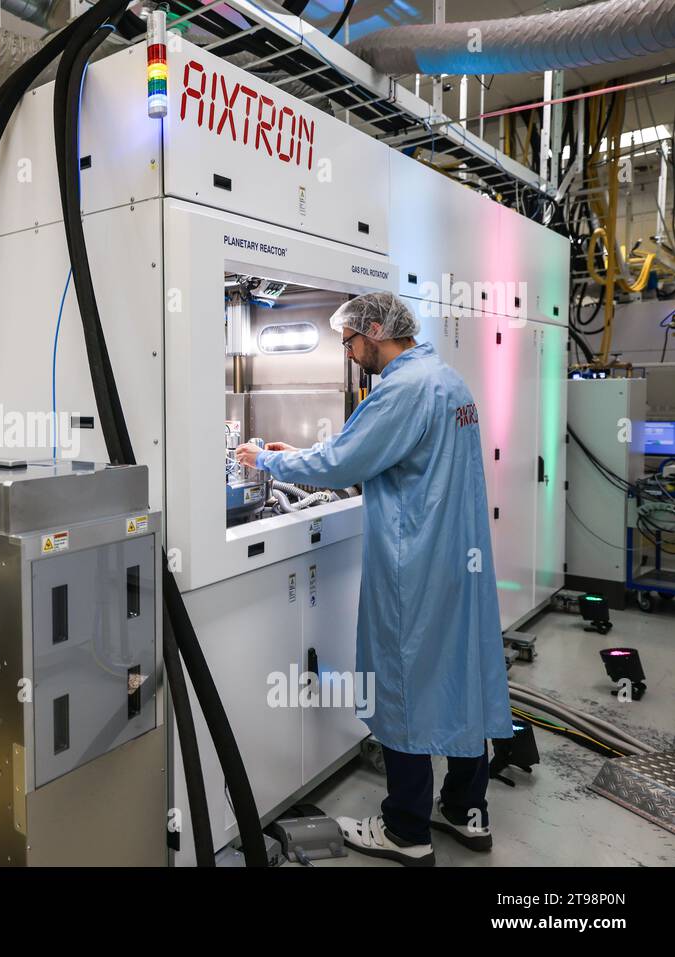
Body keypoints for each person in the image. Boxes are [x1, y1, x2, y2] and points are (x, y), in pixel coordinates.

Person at [235, 291, 511, 867]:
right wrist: (306, 453)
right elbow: (372, 453)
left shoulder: (402, 389)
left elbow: (343, 463)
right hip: (459, 559)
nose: (350, 351)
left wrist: (266, 462)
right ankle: (465, 809)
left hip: (418, 564)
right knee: (461, 675)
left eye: (351, 341)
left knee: (403, 680)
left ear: (376, 330)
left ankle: (405, 828)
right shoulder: (447, 382)